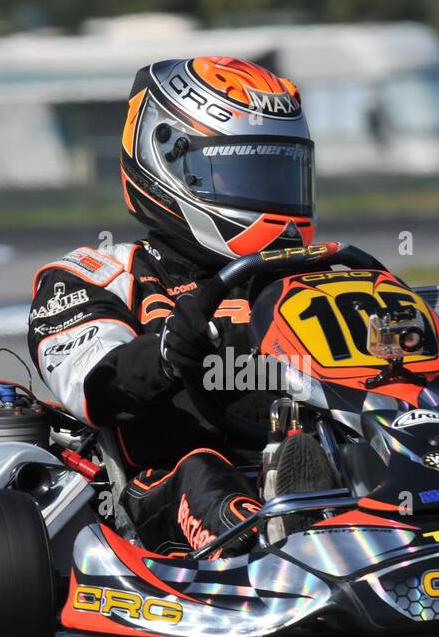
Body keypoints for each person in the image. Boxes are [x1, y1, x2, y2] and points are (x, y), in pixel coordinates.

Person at [27, 56, 338, 557]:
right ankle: (271, 541)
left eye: (280, 175)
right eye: (245, 174)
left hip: (317, 463)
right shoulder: (100, 275)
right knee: (203, 470)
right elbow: (92, 386)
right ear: (170, 164)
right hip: (166, 488)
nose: (271, 198)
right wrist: (168, 352)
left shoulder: (315, 277)